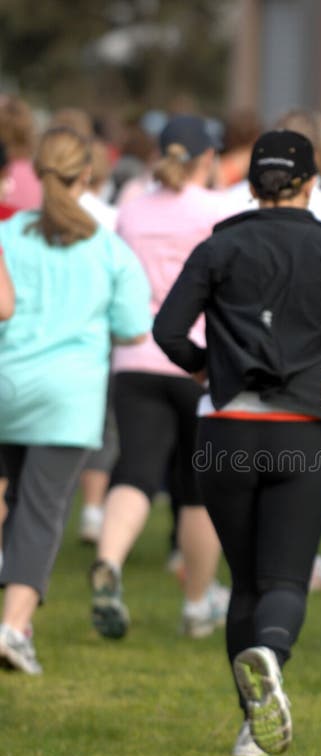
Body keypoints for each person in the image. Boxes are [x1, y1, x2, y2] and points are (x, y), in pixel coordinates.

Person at [153, 129, 321, 756]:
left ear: (250, 184)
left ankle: (252, 725)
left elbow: (166, 327)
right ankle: (270, 657)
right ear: (309, 182)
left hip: (224, 430)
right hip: (304, 433)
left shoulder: (221, 243)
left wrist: (204, 365)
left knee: (243, 581)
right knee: (286, 581)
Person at [0, 126, 151, 674]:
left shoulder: (11, 233)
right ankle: (14, 627)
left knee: (15, 504)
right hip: (68, 397)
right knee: (40, 512)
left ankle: (19, 623)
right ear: (89, 175)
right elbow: (135, 327)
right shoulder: (109, 247)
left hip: (7, 384)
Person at [89, 114, 230, 642]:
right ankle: (197, 603)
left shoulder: (130, 209)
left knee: (136, 471)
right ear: (206, 158)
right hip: (196, 358)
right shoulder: (219, 210)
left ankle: (109, 559)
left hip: (135, 357)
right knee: (197, 491)